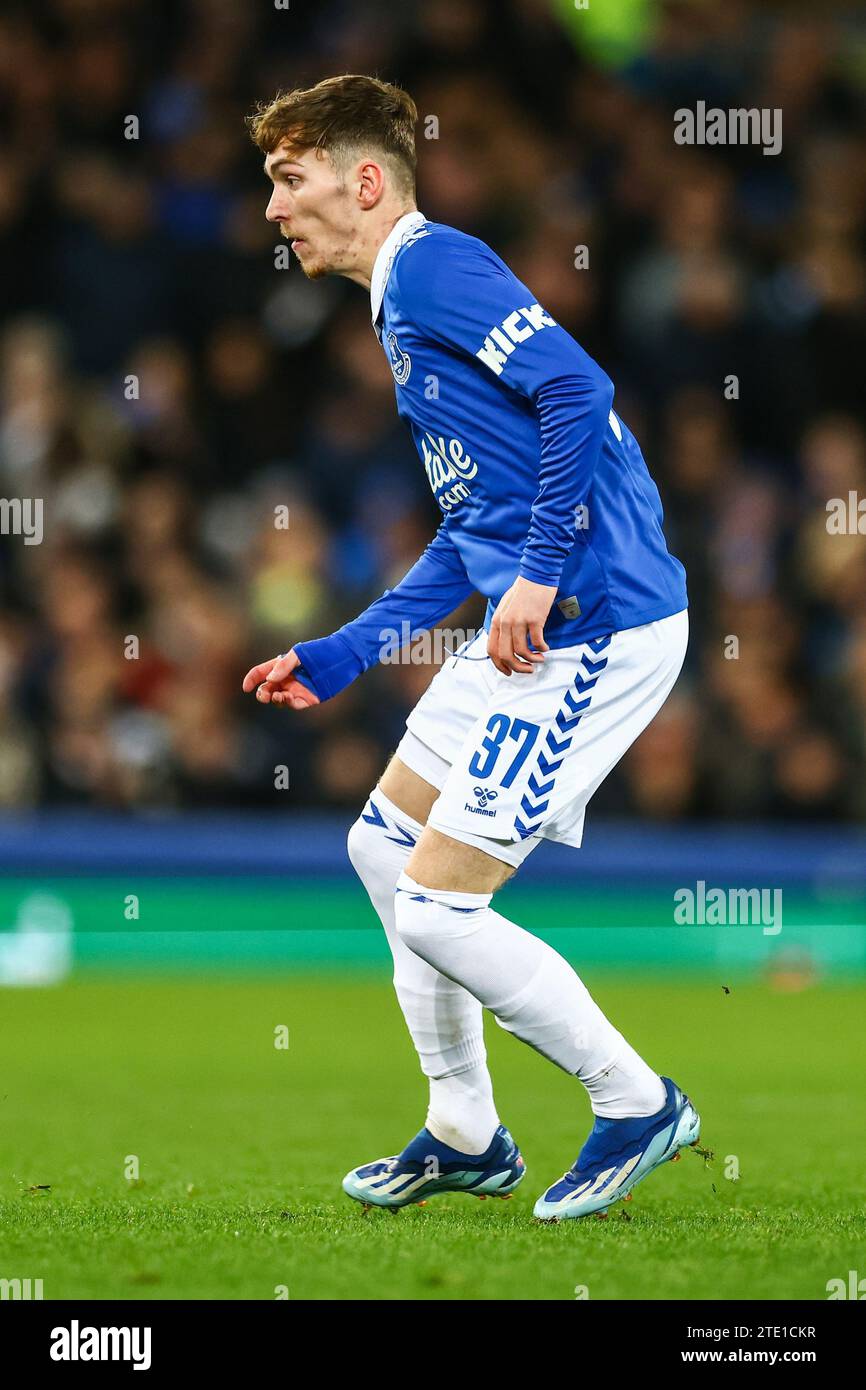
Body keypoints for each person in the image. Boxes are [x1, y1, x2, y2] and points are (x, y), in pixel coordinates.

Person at [242, 74, 700, 1220]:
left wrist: (541, 575)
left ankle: (633, 1100)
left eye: (287, 180)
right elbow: (473, 530)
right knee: (382, 852)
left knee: (441, 905)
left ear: (362, 181)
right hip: (533, 625)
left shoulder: (435, 266)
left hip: (595, 621)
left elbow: (575, 389)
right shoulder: (398, 302)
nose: (271, 209)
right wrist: (348, 650)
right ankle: (463, 1131)